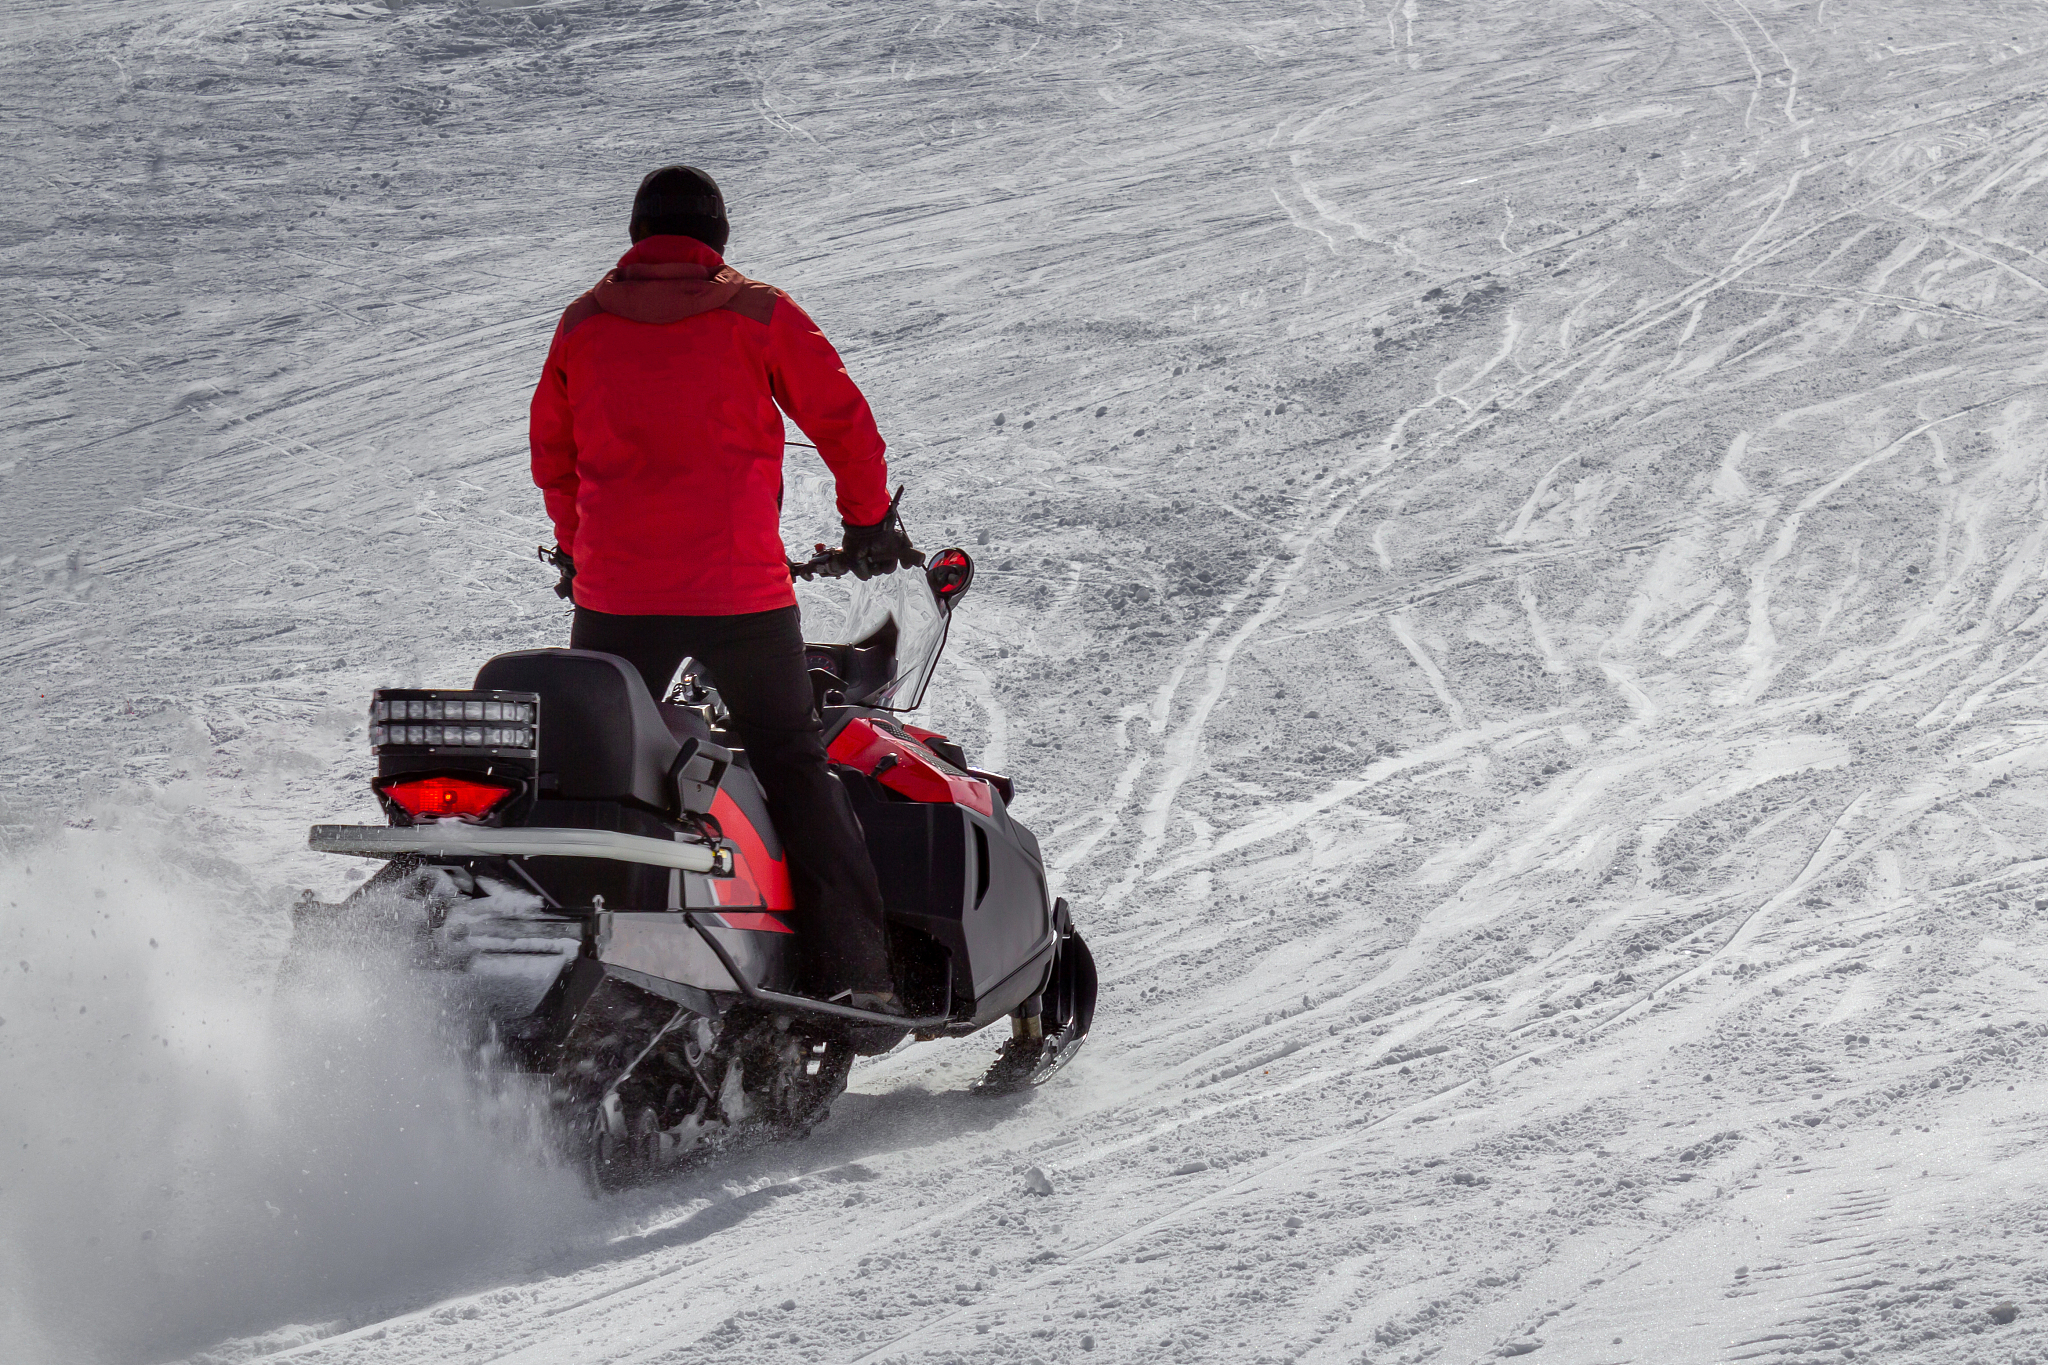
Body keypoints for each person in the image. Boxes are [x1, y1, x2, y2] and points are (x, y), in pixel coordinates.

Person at [527, 165, 916, 1011]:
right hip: (739, 594)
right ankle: (857, 978)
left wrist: (578, 549)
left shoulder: (582, 324)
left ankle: (566, 950)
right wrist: (867, 520)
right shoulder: (757, 312)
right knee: (790, 759)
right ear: (718, 237)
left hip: (619, 595)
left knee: (592, 771)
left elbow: (552, 456)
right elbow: (843, 419)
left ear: (638, 235)